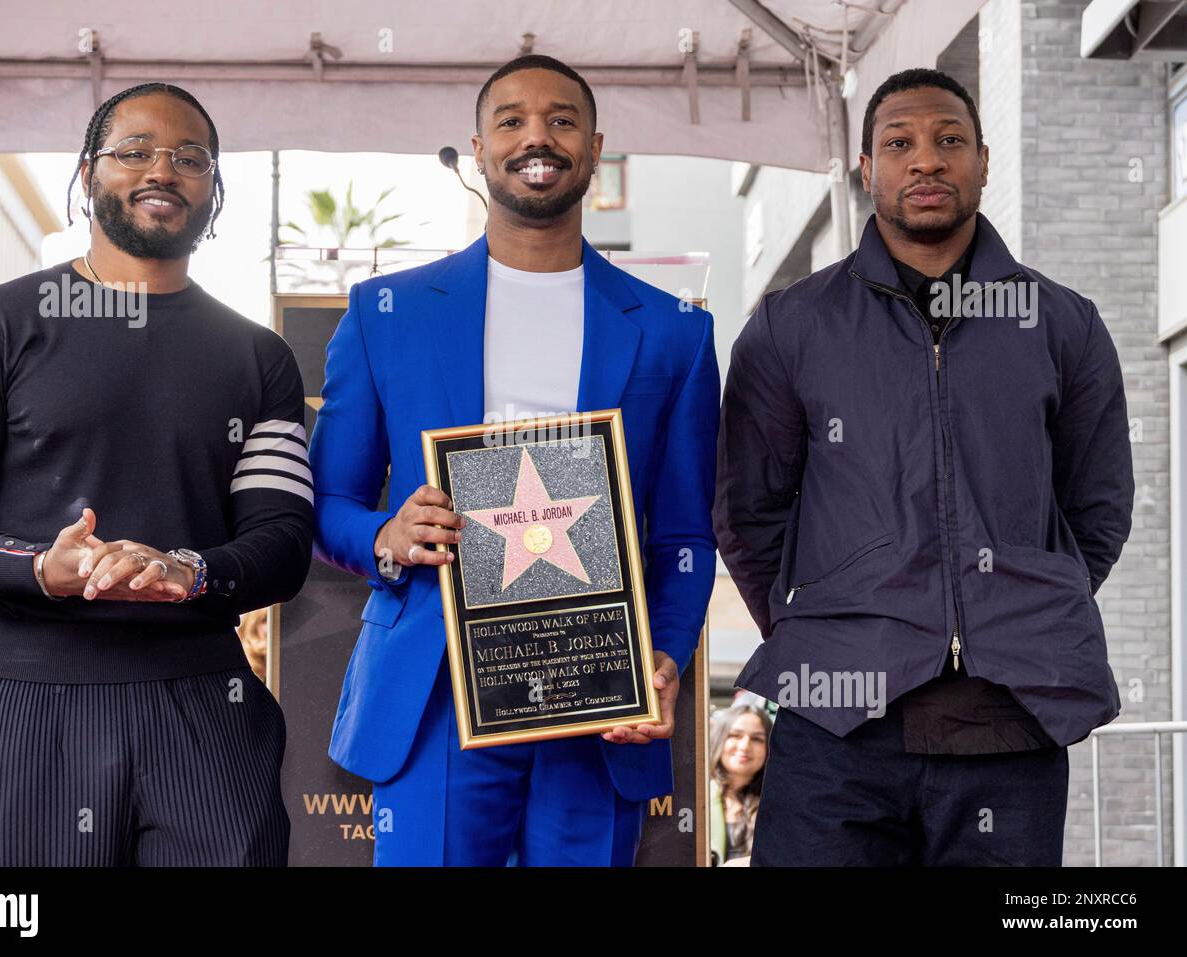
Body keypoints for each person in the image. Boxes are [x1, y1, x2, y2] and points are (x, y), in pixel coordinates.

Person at [715, 68, 1134, 866]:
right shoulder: (790, 326)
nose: (926, 161)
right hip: (835, 717)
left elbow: (1097, 506)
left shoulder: (1061, 323)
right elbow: (748, 512)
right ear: (866, 170)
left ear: (982, 159)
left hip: (1008, 717)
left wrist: (1016, 602)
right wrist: (829, 624)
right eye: (899, 143)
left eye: (949, 142)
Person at [311, 54, 718, 866]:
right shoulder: (385, 315)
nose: (539, 137)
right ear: (477, 149)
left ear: (596, 148)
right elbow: (326, 505)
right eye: (512, 121)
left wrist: (663, 655)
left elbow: (687, 534)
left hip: (598, 691)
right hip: (434, 689)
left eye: (563, 120)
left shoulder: (677, 332)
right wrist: (388, 535)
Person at [0, 82, 312, 866]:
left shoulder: (259, 358)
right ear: (87, 175)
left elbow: (284, 540)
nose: (164, 168)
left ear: (214, 187)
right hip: (23, 703)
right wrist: (41, 567)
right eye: (135, 151)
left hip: (205, 705)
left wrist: (187, 570)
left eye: (191, 156)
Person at [708, 704, 769, 865]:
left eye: (757, 739)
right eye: (735, 735)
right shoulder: (696, 799)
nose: (744, 746)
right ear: (719, 739)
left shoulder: (779, 803)